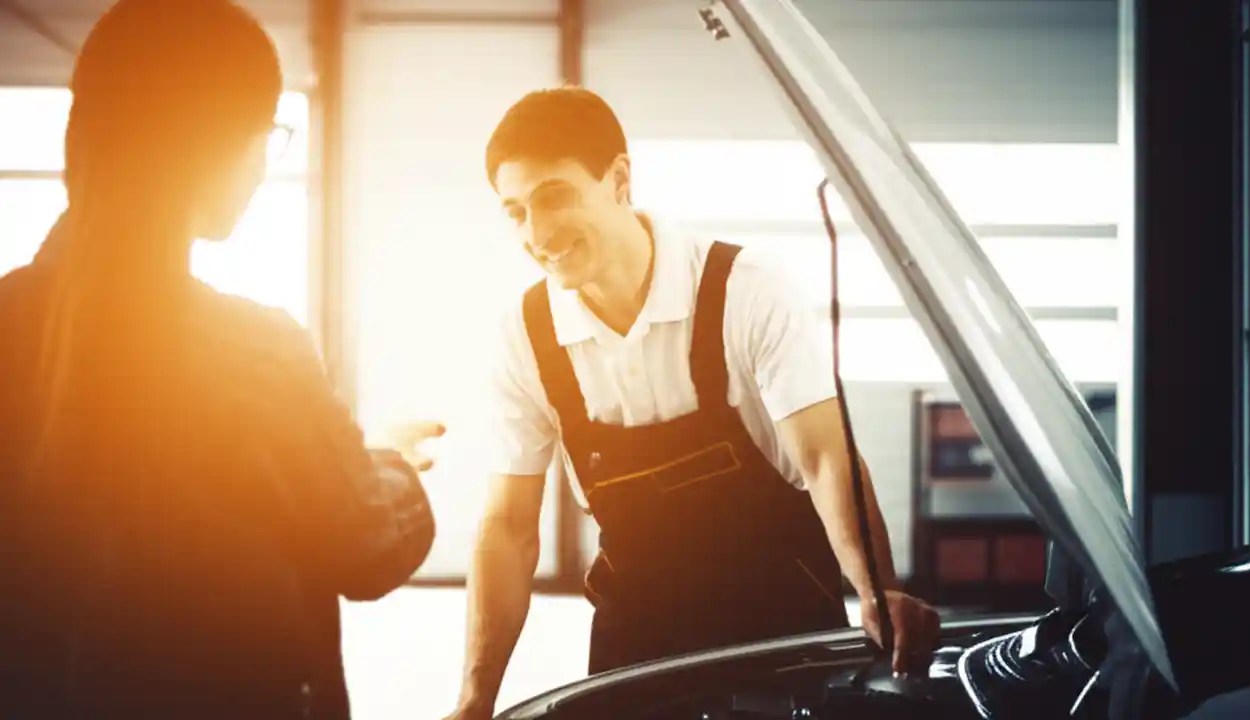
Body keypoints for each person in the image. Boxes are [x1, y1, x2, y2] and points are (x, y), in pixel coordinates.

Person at [439, 87, 940, 719]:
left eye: (555, 197)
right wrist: (474, 697)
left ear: (619, 179)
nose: (538, 234)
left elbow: (824, 458)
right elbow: (510, 526)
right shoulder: (526, 334)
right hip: (639, 637)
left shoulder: (745, 288)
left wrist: (877, 590)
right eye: (515, 211)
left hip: (779, 620)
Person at [0, 1, 437, 717]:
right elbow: (367, 550)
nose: (264, 164)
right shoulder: (253, 349)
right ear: (218, 147)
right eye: (266, 134)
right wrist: (389, 462)